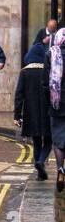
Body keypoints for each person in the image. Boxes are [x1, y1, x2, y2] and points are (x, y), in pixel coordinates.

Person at [15, 28, 52, 180]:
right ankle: (41, 161)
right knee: (49, 139)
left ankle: (39, 169)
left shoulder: (24, 72)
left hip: (30, 112)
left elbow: (19, 95)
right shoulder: (48, 71)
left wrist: (17, 115)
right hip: (47, 110)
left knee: (36, 140)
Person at [48, 28, 65, 193]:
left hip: (57, 104)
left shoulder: (51, 54)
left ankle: (60, 169)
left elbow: (44, 83)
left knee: (58, 141)